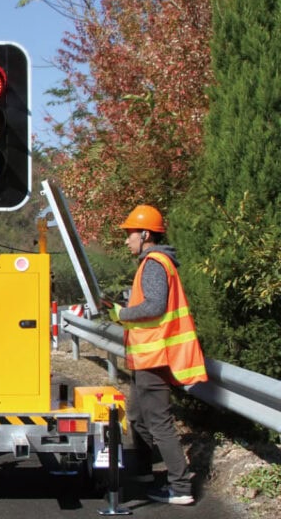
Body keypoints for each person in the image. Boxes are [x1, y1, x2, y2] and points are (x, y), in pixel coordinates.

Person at [108, 205, 208, 506]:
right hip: (147, 357)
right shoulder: (154, 262)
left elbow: (154, 306)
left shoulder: (153, 262)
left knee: (158, 422)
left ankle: (180, 488)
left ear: (145, 234)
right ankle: (144, 474)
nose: (127, 241)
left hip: (154, 357)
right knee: (137, 416)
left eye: (130, 234)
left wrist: (122, 313)